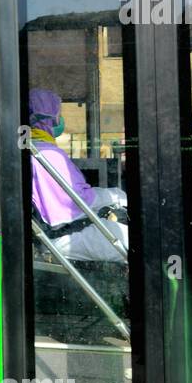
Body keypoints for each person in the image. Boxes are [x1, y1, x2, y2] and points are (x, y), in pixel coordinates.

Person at [28, 88, 128, 263]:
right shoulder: (48, 154)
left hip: (53, 232)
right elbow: (82, 201)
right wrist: (118, 196)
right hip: (63, 235)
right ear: (47, 118)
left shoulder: (33, 148)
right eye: (57, 114)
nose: (59, 120)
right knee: (140, 243)